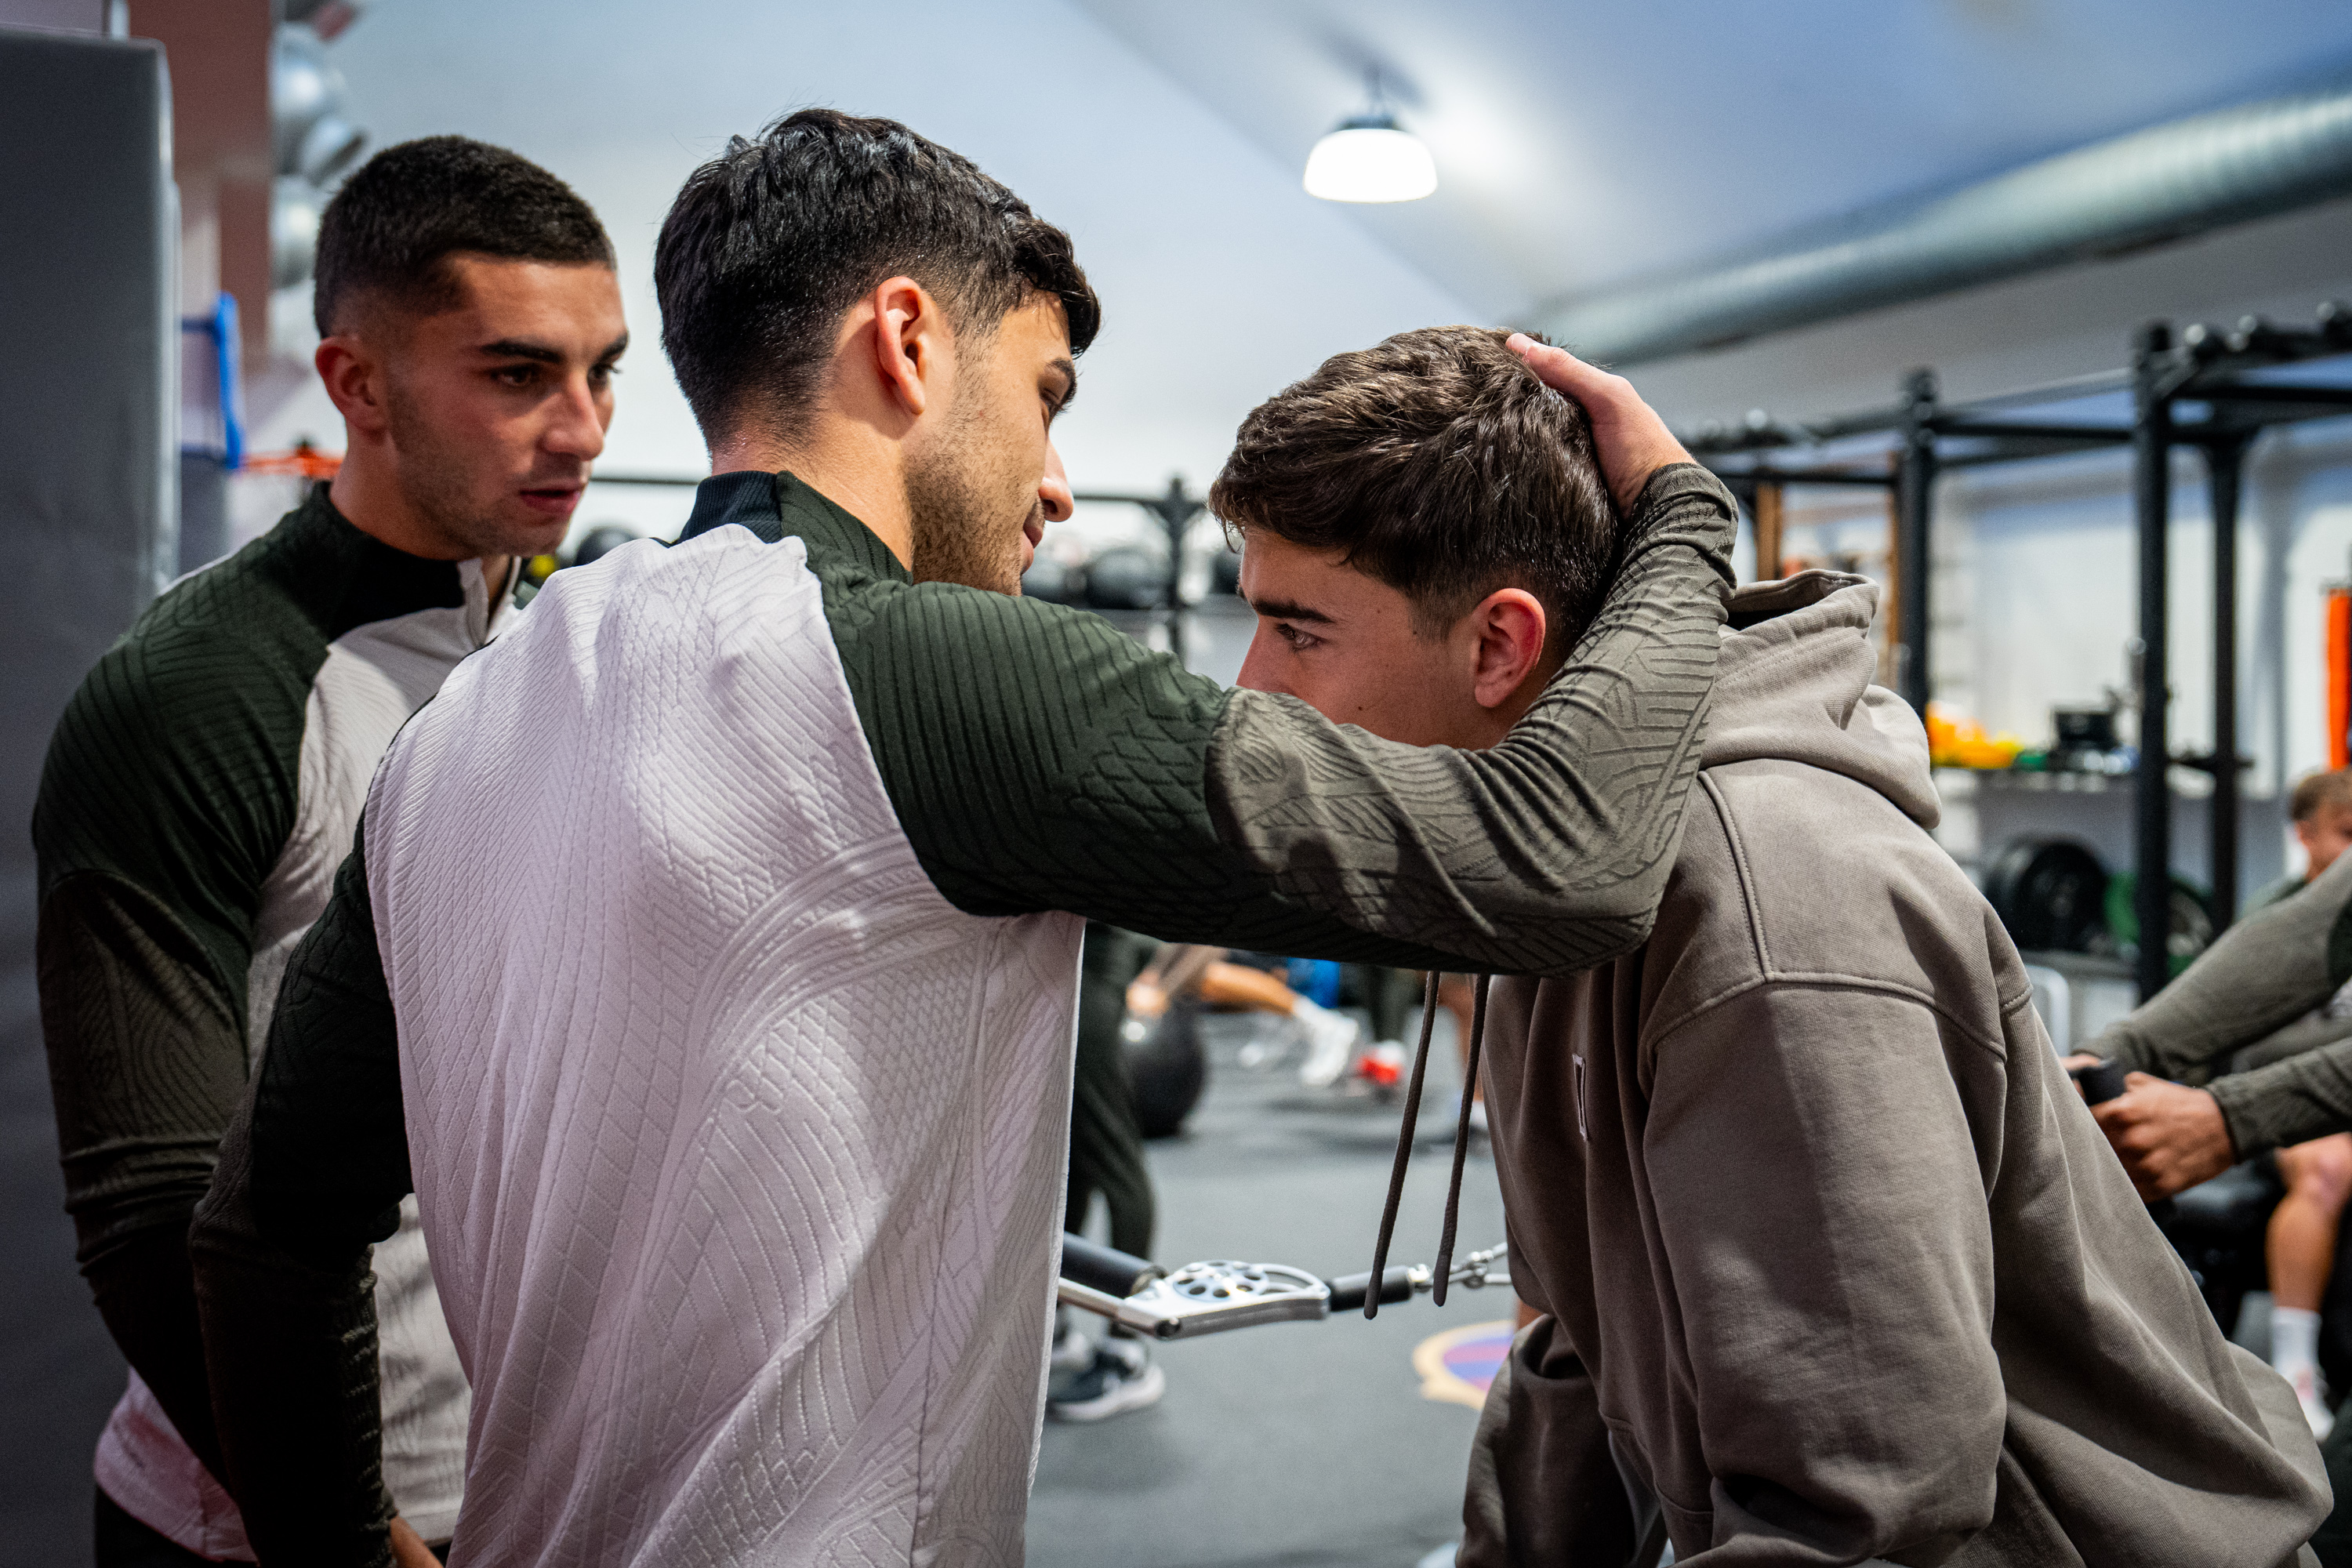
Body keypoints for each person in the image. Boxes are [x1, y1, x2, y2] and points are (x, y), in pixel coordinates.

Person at [187, 109, 1737, 1567]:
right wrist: (1680, 518)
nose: (1057, 482)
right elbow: (1564, 860)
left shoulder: (460, 722)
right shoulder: (937, 671)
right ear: (908, 342)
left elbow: (263, 1239)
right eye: (1046, 396)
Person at [1214, 325, 2330, 1566]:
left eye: (1298, 630)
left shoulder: (1773, 906)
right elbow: (1581, 1342)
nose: (1254, 687)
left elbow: (1865, 1519)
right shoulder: (1547, 867)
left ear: (1500, 646)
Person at [32, 137, 625, 1567]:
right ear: (358, 384)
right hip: (275, 1524)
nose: (586, 428)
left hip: (525, 1489)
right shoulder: (205, 687)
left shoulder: (548, 640)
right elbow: (153, 1208)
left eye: (605, 370)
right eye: (517, 374)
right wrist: (350, 1534)